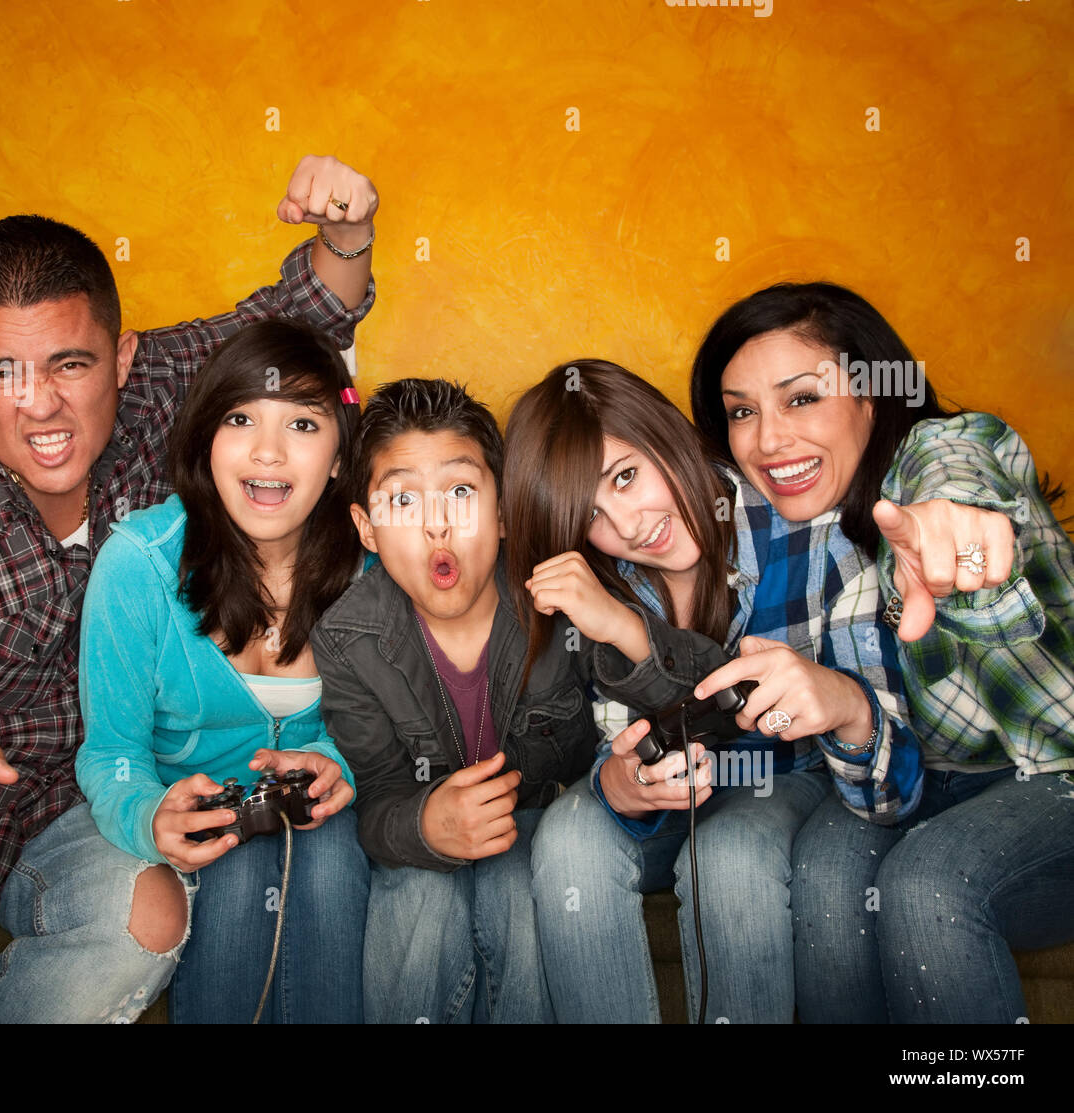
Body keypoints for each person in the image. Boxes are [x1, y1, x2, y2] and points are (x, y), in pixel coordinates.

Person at [0, 154, 376, 1024]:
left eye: (69, 364)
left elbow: (291, 324)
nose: (40, 406)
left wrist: (347, 232)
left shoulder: (156, 395)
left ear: (123, 357)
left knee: (153, 912)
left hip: (65, 809)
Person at [689, 280, 1074, 1022]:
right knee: (829, 871)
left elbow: (959, 462)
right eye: (742, 411)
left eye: (801, 398)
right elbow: (889, 780)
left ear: (872, 396)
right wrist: (850, 711)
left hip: (1056, 772)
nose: (768, 439)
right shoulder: (825, 552)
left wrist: (955, 524)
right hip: (946, 780)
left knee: (928, 881)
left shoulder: (937, 452)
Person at [506, 359, 922, 1023]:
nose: (630, 524)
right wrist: (619, 781)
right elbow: (613, 742)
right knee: (568, 833)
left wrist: (844, 707)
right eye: (592, 513)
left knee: (727, 853)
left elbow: (894, 779)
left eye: (626, 475)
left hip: (793, 775)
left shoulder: (809, 524)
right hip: (680, 794)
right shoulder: (600, 579)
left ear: (663, 433)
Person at [310, 377, 721, 1023]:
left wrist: (616, 622)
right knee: (418, 896)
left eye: (462, 492)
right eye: (402, 501)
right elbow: (380, 798)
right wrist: (424, 825)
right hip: (425, 842)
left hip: (546, 821)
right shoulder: (345, 639)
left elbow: (701, 694)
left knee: (520, 891)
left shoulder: (558, 599)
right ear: (365, 527)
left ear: (503, 513)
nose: (437, 522)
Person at [76, 318, 368, 1023]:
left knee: (327, 856)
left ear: (337, 457)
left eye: (302, 423)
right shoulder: (139, 564)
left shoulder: (374, 570)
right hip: (203, 834)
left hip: (328, 834)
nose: (267, 452)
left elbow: (402, 729)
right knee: (233, 866)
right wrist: (151, 816)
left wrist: (337, 765)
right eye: (240, 418)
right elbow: (112, 753)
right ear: (207, 439)